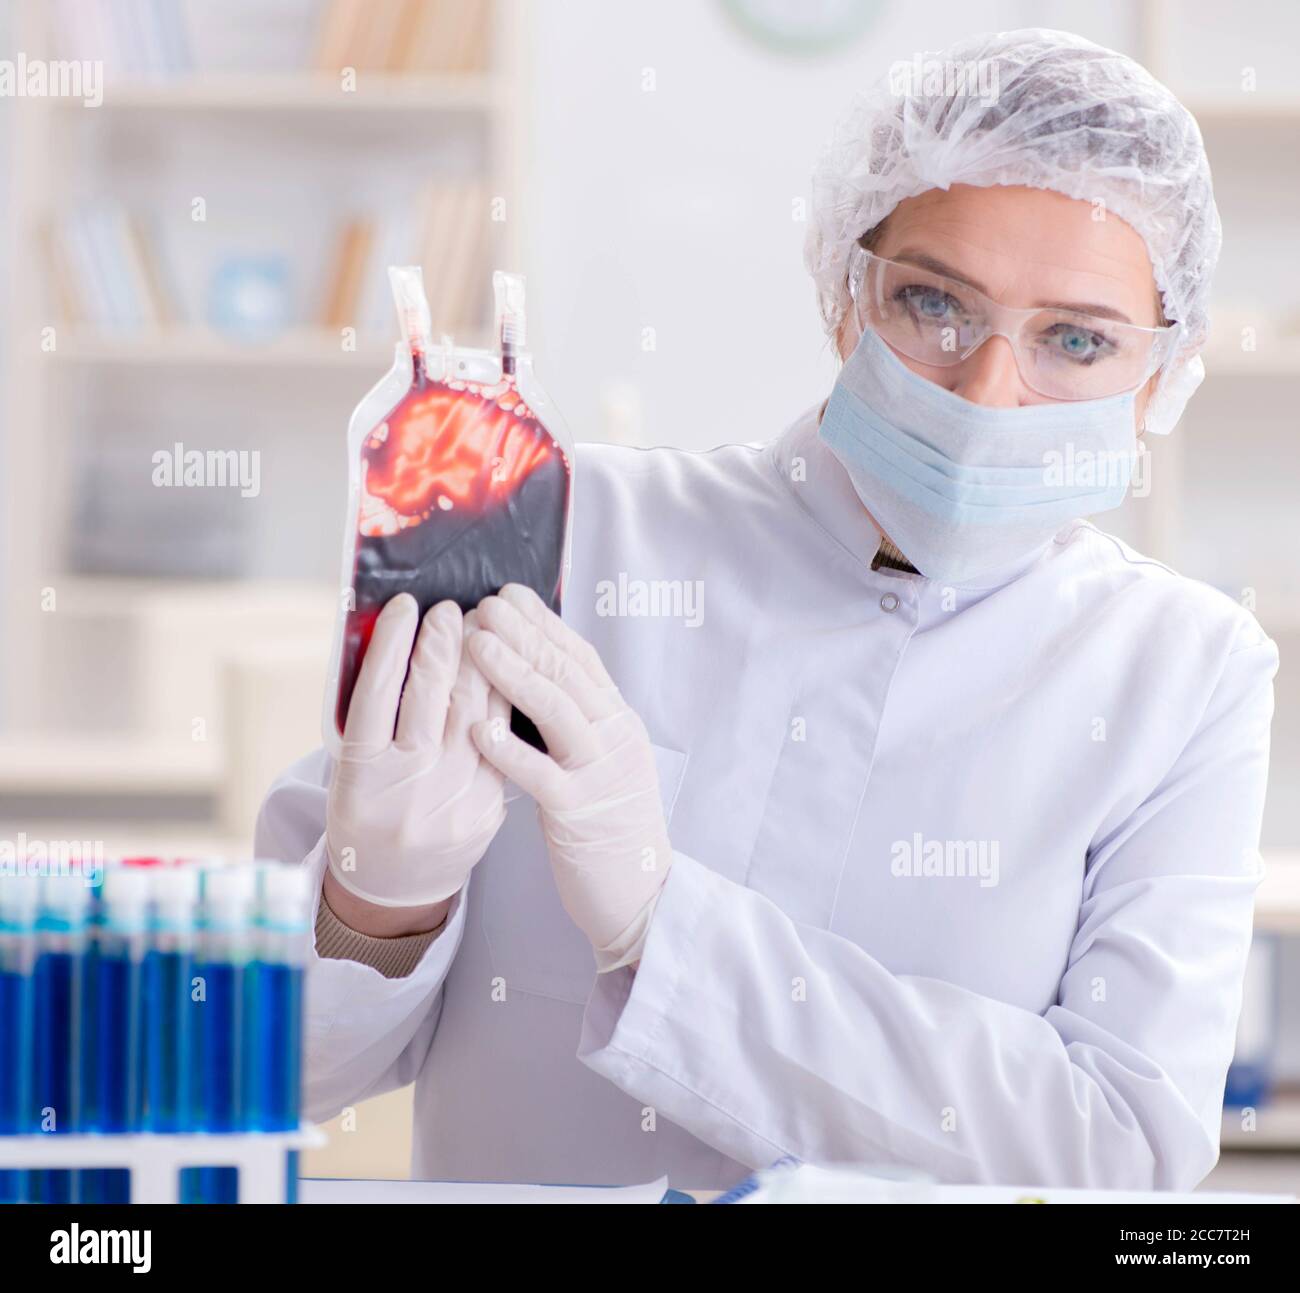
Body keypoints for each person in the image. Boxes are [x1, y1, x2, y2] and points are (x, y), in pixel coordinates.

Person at [256, 29, 1276, 1190]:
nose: (991, 390)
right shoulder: (566, 526)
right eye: (935, 304)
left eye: (1078, 339)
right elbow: (268, 1070)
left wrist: (658, 922)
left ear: (1161, 373)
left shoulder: (1183, 674)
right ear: (846, 294)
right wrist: (371, 904)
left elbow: (1117, 1151)